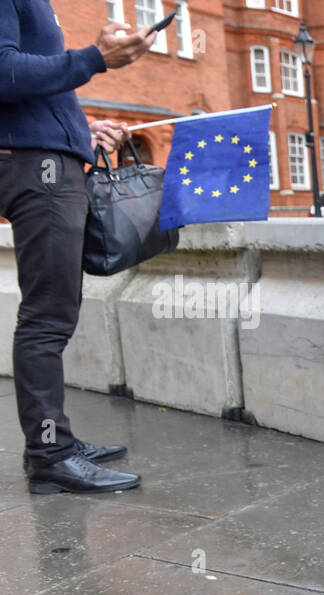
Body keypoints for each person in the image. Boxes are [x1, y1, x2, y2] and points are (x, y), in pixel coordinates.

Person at [1, 2, 155, 493]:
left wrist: (79, 131)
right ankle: (50, 456)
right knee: (47, 317)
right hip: (33, 169)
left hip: (45, 158)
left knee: (54, 313)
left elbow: (31, 94)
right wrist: (93, 57)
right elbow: (3, 71)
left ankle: (55, 439)